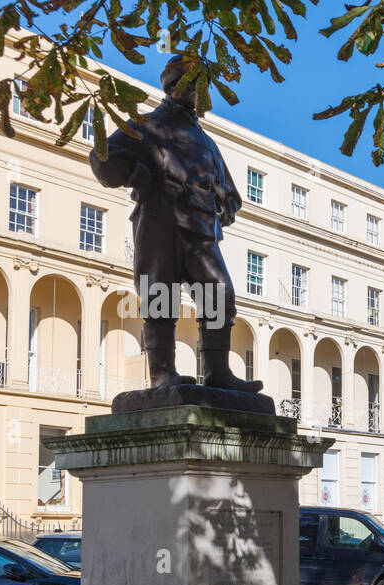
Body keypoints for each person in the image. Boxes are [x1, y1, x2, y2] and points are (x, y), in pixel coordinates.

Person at [89, 55, 259, 394]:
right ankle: (163, 372)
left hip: (200, 231)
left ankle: (217, 372)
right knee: (160, 296)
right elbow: (102, 157)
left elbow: (226, 188)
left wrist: (225, 201)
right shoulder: (148, 124)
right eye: (188, 84)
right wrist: (135, 173)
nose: (195, 92)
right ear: (172, 86)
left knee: (219, 293)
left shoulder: (206, 141)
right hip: (160, 222)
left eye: (199, 86)